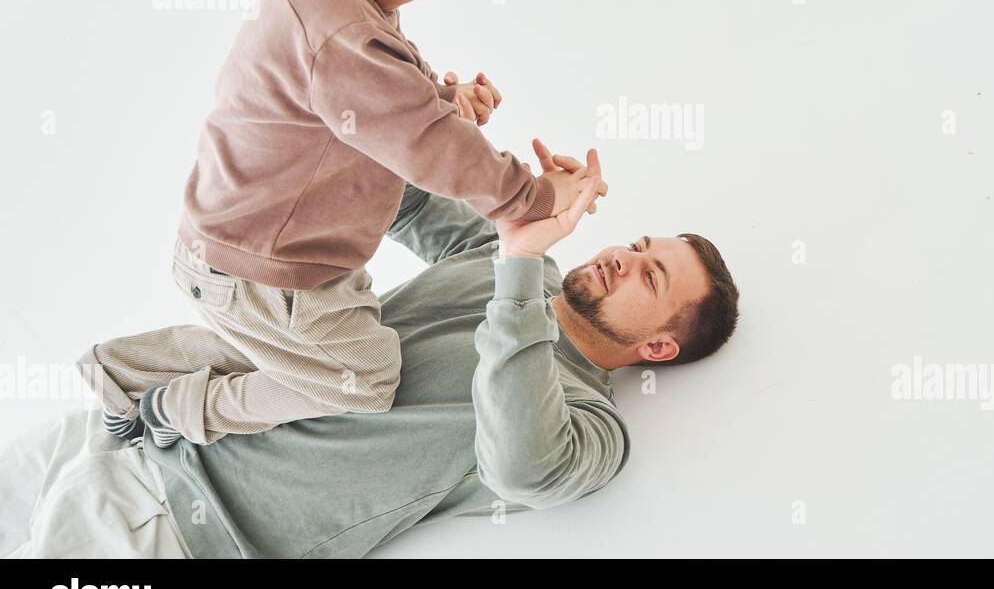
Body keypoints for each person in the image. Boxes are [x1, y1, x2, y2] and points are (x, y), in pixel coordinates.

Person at [76, 0, 604, 450]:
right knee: (363, 376)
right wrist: (536, 196)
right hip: (264, 270)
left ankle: (123, 370)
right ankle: (177, 409)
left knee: (290, 346)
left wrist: (441, 96)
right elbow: (421, 138)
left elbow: (353, 98)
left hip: (249, 251)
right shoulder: (340, 28)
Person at [3, 148, 739, 558]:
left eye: (651, 274)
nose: (621, 256)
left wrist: (518, 264)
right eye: (637, 244)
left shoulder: (591, 430)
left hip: (170, 528)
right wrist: (462, 138)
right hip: (134, 418)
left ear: (659, 344)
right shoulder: (499, 257)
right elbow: (401, 193)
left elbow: (520, 464)